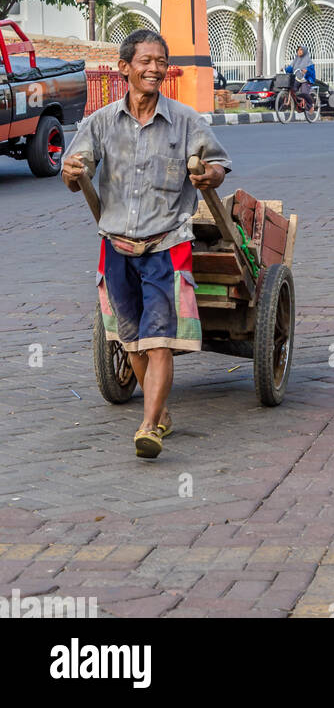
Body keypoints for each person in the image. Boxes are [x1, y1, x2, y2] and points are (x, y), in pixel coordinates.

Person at [61, 30, 232, 459]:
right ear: (124, 68)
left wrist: (209, 175)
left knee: (158, 341)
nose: (154, 68)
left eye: (161, 61)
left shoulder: (186, 120)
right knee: (131, 340)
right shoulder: (99, 123)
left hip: (166, 245)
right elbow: (74, 170)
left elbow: (218, 164)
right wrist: (71, 171)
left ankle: (150, 425)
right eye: (145, 61)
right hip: (116, 245)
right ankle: (161, 413)